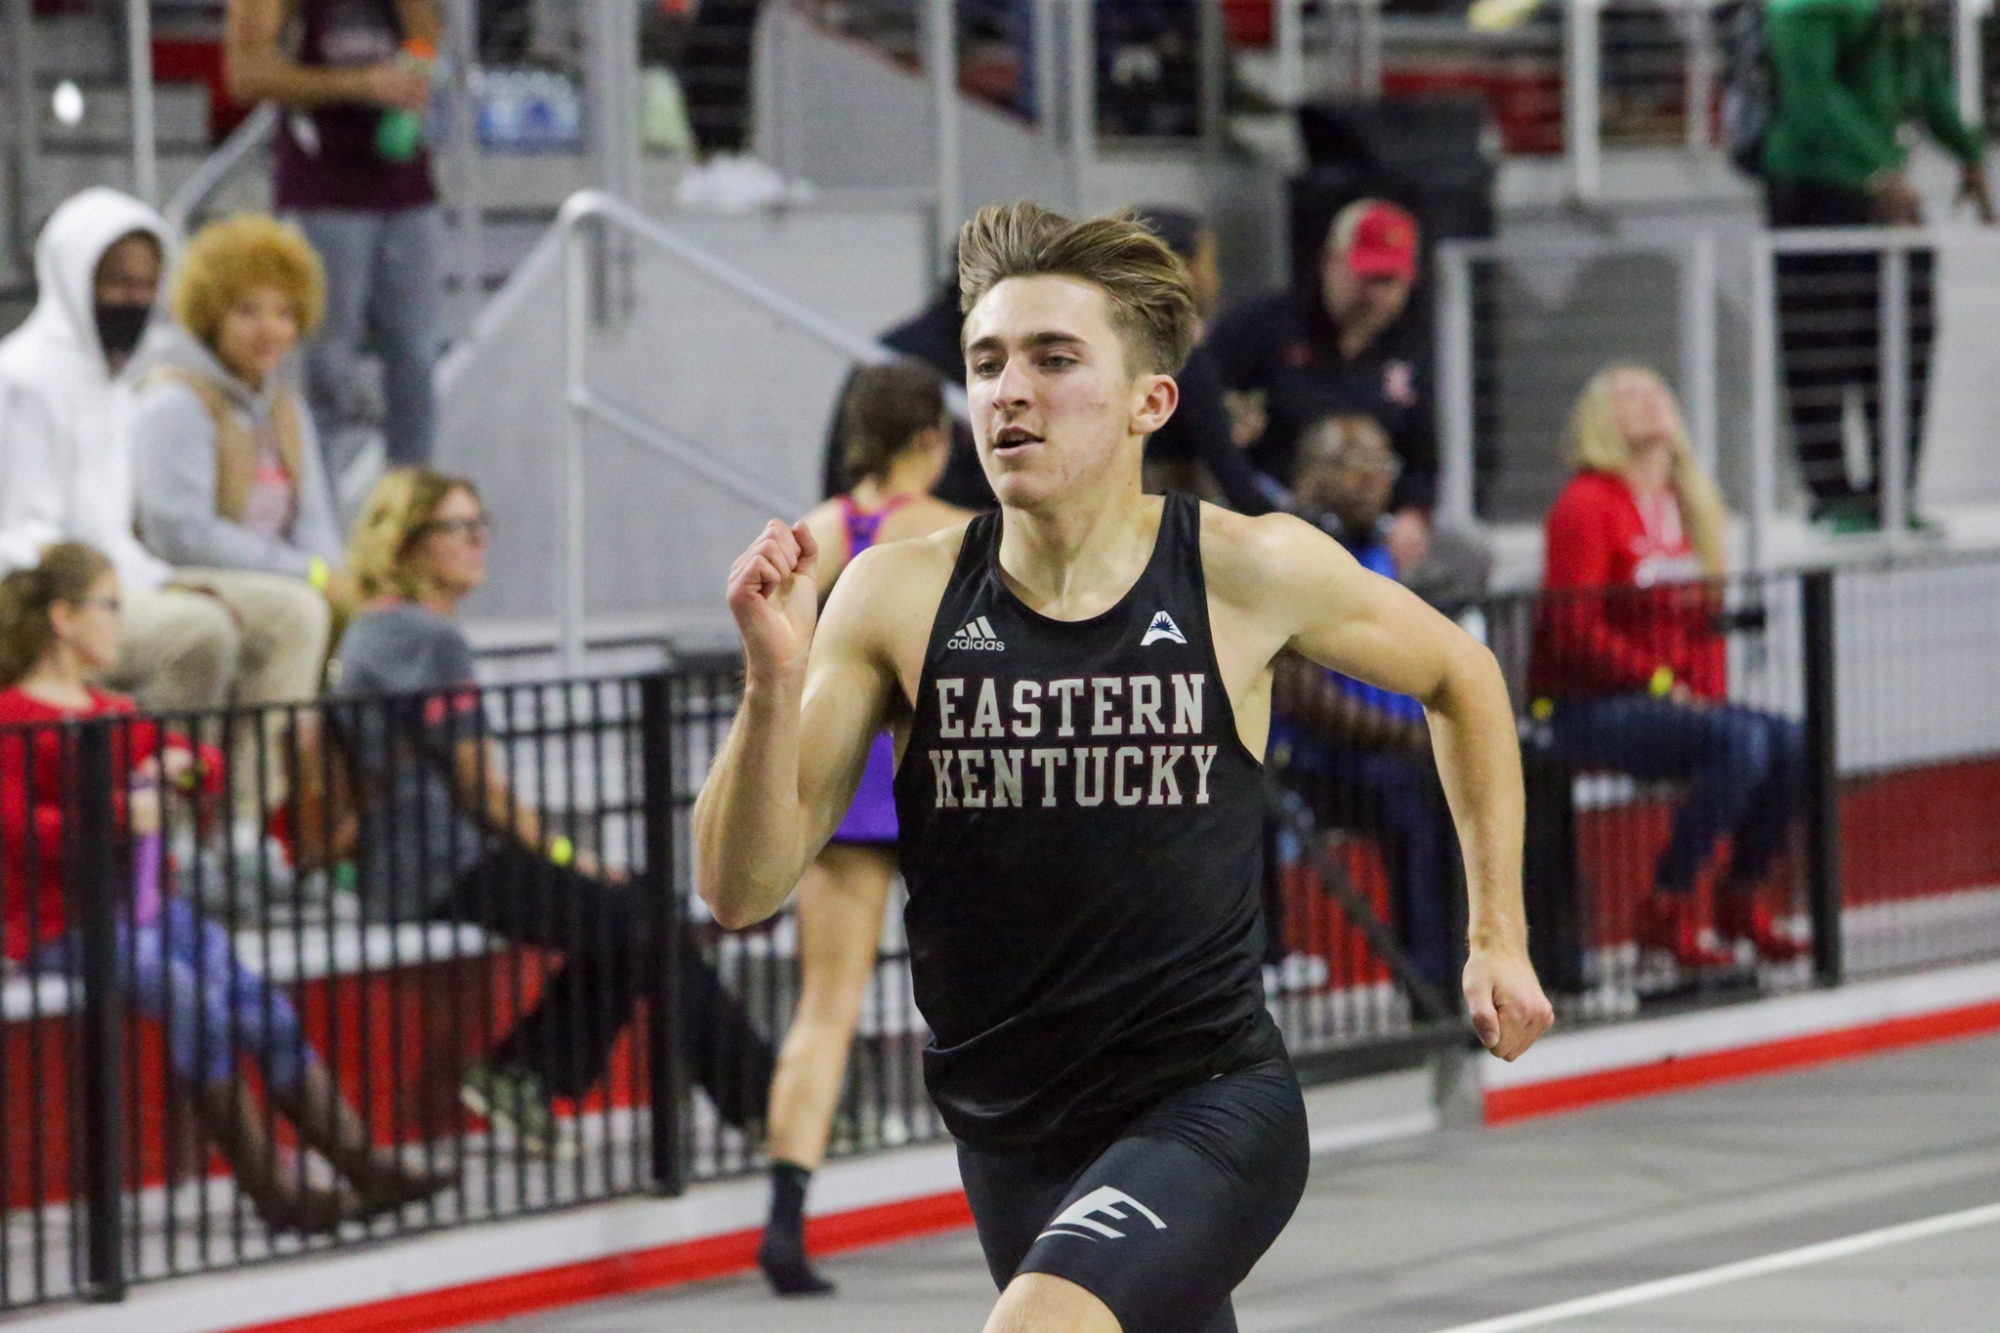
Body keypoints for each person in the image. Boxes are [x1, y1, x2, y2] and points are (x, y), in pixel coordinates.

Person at [697, 201, 1551, 1333]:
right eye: (988, 361)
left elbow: (1462, 677)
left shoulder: (1243, 571)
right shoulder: (894, 597)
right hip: (1010, 1132)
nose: (1010, 389)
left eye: (1055, 359)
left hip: (1203, 1105)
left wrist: (1496, 931)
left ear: (1151, 401)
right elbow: (739, 887)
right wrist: (767, 686)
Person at [0, 542, 451, 1233]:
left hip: (143, 907)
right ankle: (274, 1188)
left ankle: (361, 1161)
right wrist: (120, 813)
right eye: (108, 605)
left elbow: (205, 763)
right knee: (189, 998)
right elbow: (17, 829)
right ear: (63, 618)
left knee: (254, 999)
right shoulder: (14, 717)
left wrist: (186, 766)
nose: (119, 621)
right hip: (58, 920)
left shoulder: (110, 705)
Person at [332, 469, 775, 1155]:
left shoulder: (378, 628)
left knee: (638, 910)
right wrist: (570, 856)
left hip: (415, 861)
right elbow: (482, 791)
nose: (478, 541)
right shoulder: (425, 637)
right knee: (640, 910)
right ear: (408, 542)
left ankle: (544, 1074)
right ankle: (757, 1103)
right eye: (457, 527)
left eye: (481, 525)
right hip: (442, 865)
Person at [757, 359, 972, 1296]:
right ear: (935, 437)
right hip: (944, 786)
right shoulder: (956, 533)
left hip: (844, 782)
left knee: (824, 1007)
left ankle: (785, 1218)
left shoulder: (816, 533)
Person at [1531, 366, 1809, 975]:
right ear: (1600, 419)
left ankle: (1742, 896)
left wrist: (1703, 693)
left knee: (1792, 741)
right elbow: (1571, 626)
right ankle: (1668, 905)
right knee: (1738, 741)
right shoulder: (1586, 504)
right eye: (1629, 395)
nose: (1651, 402)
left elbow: (1705, 622)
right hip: (1588, 704)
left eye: (1659, 391)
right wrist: (1657, 683)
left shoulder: (1690, 503)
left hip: (1670, 699)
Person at [0, 188, 291, 725]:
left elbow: (112, 531)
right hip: (43, 597)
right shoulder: (22, 378)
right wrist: (106, 594)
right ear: (75, 278)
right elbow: (25, 532)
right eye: (116, 283)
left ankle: (252, 802)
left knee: (291, 613)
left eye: (144, 285)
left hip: (114, 579)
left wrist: (163, 581)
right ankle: (163, 789)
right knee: (198, 633)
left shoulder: (115, 381)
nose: (133, 299)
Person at [131, 213, 360, 848]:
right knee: (297, 612)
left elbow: (314, 518)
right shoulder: (172, 400)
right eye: (249, 310)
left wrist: (338, 580)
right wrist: (309, 575)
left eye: (286, 313)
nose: (271, 330)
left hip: (267, 579)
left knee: (351, 613)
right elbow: (180, 531)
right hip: (176, 575)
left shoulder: (285, 405)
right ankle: (239, 825)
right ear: (210, 313)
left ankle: (306, 827)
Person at [1763, 0, 1993, 532]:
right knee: (1820, 347)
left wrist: (1969, 154)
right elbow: (1810, 97)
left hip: (1884, 195)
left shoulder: (1904, 18)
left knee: (1906, 335)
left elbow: (1929, 86)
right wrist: (1880, 169)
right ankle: (1833, 496)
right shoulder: (1806, 10)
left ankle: (1893, 494)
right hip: (1814, 190)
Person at [1205, 198, 1488, 613]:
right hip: (1277, 517)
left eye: (1390, 282)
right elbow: (1211, 431)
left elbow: (1423, 454)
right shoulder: (1259, 329)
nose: (1376, 295)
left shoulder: (1408, 348)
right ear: (1331, 262)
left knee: (1468, 559)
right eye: (1366, 277)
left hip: (1374, 527)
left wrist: (1413, 514)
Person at [1270, 417, 1457, 986]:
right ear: (1307, 479)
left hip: (1393, 750)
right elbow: (1300, 694)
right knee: (1417, 796)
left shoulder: (1382, 554)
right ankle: (1429, 983)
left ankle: (1498, 968)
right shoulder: (1288, 556)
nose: (1371, 480)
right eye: (1352, 464)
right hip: (1316, 763)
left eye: (1381, 467)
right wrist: (1402, 736)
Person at [225, 0, 444, 475]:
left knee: (417, 361)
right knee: (324, 368)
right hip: (324, 191)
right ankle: (315, 530)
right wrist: (359, 84)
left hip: (405, 186)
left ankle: (410, 516)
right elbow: (245, 75)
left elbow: (427, 46)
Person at [1132, 205, 1292, 516]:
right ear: (1179, 268)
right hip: (1156, 520)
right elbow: (1234, 480)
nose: (1215, 278)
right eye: (1210, 263)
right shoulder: (1180, 356)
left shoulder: (1128, 344)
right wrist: (1297, 527)